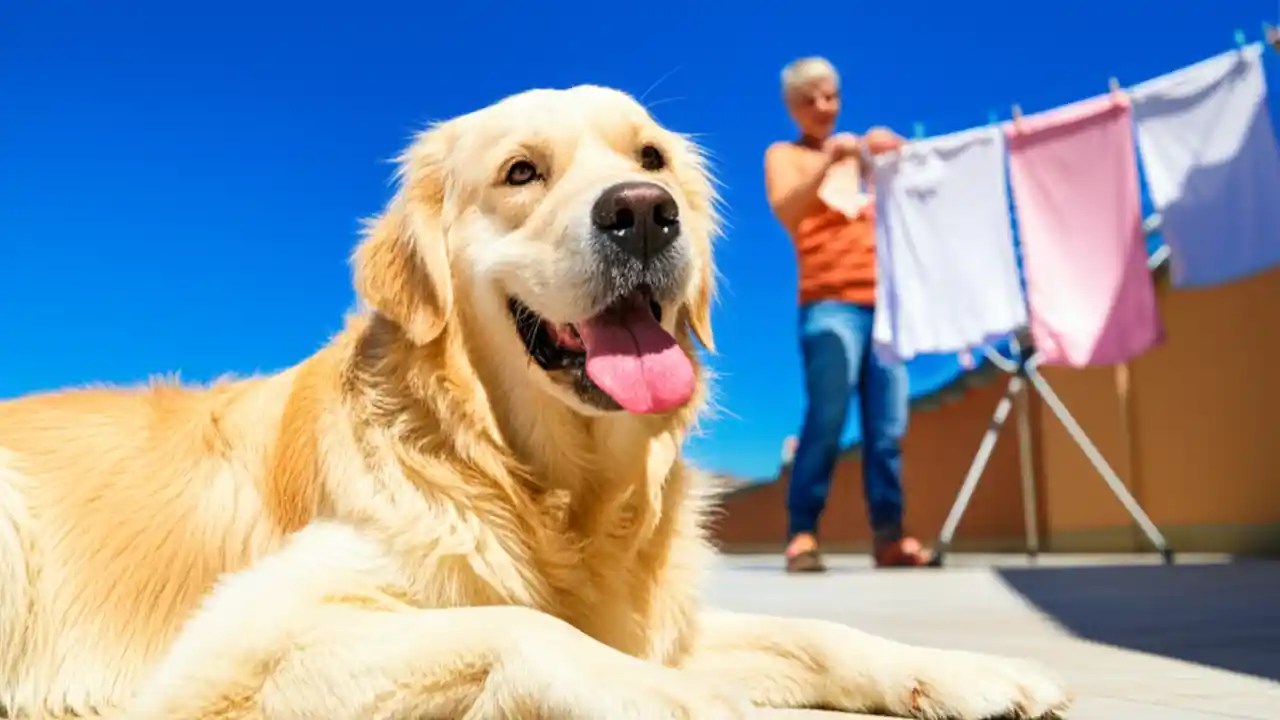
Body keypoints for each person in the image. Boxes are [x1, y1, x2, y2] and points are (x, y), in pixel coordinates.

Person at [763, 56, 931, 572]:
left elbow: (917, 198)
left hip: (882, 308)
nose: (823, 106)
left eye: (831, 95)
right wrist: (828, 163)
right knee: (826, 420)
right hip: (828, 305)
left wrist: (899, 155)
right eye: (811, 98)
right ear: (793, 106)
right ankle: (803, 533)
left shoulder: (862, 158)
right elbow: (787, 207)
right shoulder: (785, 155)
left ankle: (889, 536)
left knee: (886, 428)